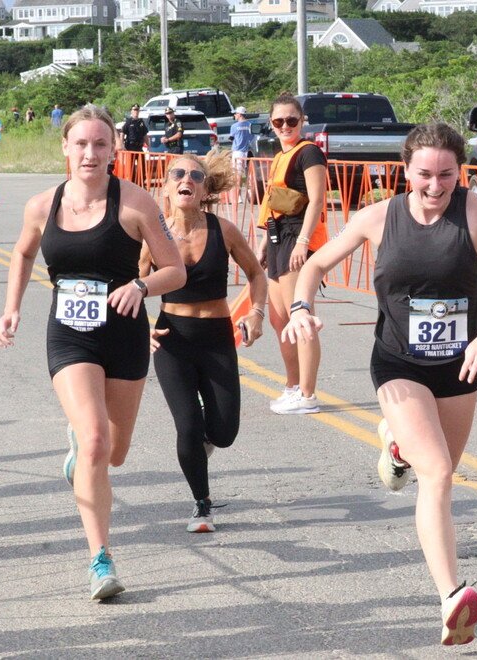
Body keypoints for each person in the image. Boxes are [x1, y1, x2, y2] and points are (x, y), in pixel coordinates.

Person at [282, 122, 477, 645]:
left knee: (439, 471)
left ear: (460, 172)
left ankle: (397, 445)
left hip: (459, 365)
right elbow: (315, 264)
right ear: (405, 171)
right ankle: (451, 596)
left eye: (446, 175)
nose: (435, 185)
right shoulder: (378, 217)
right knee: (437, 473)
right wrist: (301, 307)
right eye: (424, 174)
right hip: (399, 363)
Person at [0, 106, 186, 600]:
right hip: (69, 335)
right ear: (65, 147)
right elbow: (23, 252)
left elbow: (176, 271)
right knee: (96, 440)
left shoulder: (136, 203)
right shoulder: (42, 206)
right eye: (81, 143)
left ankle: (79, 453)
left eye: (100, 144)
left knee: (113, 454)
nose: (90, 153)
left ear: (114, 150)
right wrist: (10, 309)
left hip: (123, 335)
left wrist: (141, 286)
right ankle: (101, 560)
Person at [140, 152, 267, 533]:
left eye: (196, 176)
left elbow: (256, 274)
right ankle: (202, 504)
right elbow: (130, 287)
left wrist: (256, 313)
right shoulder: (153, 236)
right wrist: (139, 327)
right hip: (172, 341)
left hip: (216, 339)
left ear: (206, 189)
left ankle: (203, 436)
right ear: (166, 187)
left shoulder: (223, 230)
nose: (187, 180)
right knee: (188, 427)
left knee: (224, 433)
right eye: (178, 174)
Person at [260, 92, 327, 415]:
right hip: (277, 236)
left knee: (300, 317)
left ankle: (307, 394)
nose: (285, 126)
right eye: (279, 121)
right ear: (271, 124)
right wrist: (264, 241)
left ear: (302, 121)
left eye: (291, 120)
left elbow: (317, 200)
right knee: (279, 319)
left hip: (296, 236)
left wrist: (303, 241)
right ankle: (292, 385)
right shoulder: (279, 156)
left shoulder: (309, 152)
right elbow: (273, 201)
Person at [229, 106, 251, 186]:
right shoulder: (250, 125)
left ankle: (238, 193)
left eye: (236, 113)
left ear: (240, 114)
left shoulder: (234, 126)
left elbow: (231, 138)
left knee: (237, 174)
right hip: (247, 151)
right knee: (247, 172)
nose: (234, 115)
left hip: (237, 151)